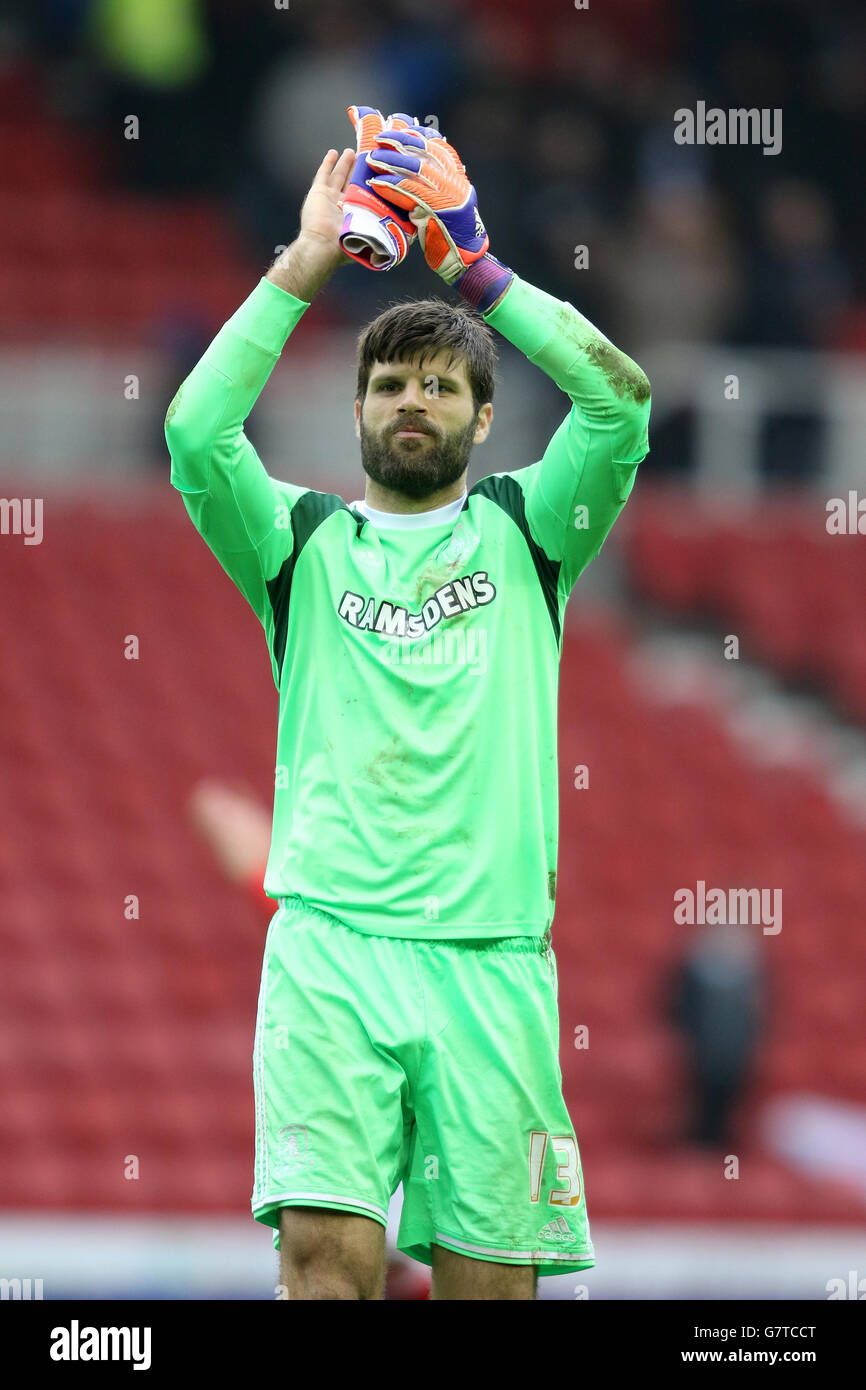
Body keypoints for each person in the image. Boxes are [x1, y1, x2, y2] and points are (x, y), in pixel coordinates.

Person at [165, 114, 651, 1300]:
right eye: (389, 384)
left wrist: (479, 269)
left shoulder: (532, 535)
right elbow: (193, 431)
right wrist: (301, 268)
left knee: (489, 1280)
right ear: (359, 413)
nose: (412, 400)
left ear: (485, 421)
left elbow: (622, 404)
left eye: (441, 383)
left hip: (489, 959)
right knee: (323, 1258)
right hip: (331, 948)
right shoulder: (298, 544)